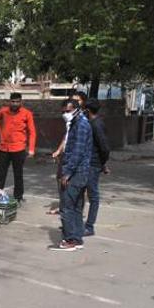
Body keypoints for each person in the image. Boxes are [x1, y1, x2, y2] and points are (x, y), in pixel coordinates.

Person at [50, 98, 92, 251]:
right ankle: (77, 238)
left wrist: (67, 173)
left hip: (76, 172)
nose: (65, 114)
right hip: (78, 171)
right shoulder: (74, 123)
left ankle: (70, 240)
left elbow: (78, 152)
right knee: (75, 206)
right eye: (63, 112)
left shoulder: (81, 125)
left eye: (67, 111)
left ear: (76, 109)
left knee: (67, 206)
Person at [0, 92, 36, 202]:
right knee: (1, 174)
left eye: (17, 101)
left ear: (21, 102)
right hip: (4, 148)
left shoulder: (27, 113)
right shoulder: (4, 111)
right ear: (9, 101)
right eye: (13, 101)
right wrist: (0, 133)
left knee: (18, 174)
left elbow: (32, 131)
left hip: (18, 148)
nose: (15, 104)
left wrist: (31, 149)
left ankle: (18, 197)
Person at [85, 99, 110, 236]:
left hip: (93, 164)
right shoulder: (93, 123)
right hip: (90, 163)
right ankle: (78, 223)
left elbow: (104, 148)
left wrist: (102, 163)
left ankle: (89, 226)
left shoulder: (96, 125)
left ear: (88, 110)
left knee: (93, 195)